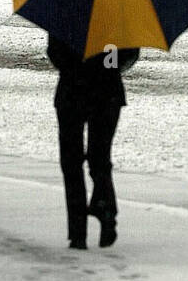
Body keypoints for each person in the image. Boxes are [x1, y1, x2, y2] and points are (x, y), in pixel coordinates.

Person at [46, 36, 140, 249]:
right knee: (100, 159)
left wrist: (78, 66)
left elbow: (55, 53)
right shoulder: (119, 14)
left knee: (72, 163)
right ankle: (105, 210)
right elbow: (128, 54)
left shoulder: (64, 9)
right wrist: (105, 64)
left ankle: (78, 232)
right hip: (107, 92)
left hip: (72, 92)